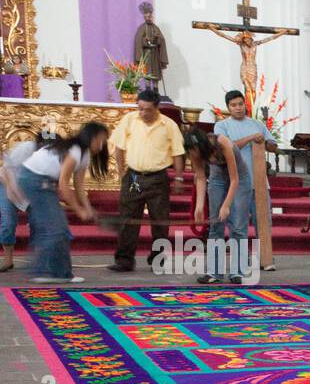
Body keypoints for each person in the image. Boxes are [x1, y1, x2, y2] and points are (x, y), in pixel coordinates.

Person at [16, 122, 110, 284]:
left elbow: (79, 187)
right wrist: (78, 210)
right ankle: (43, 272)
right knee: (54, 228)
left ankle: (61, 273)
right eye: (100, 140)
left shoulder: (84, 154)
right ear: (91, 137)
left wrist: (88, 208)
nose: (101, 146)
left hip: (45, 181)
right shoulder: (74, 151)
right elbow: (63, 185)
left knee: (60, 229)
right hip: (33, 178)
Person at [106, 89, 185, 273]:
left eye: (147, 109)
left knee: (160, 221)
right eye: (140, 108)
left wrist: (179, 177)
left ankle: (157, 260)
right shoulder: (130, 120)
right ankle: (124, 260)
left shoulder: (169, 125)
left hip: (158, 177)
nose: (142, 113)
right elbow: (119, 147)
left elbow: (178, 153)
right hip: (133, 176)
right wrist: (121, 171)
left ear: (157, 107)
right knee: (128, 219)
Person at [209, 89, 275, 279]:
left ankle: (263, 259)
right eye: (233, 105)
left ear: (245, 104)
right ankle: (216, 271)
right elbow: (226, 147)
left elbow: (272, 145)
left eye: (240, 104)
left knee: (258, 222)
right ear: (228, 107)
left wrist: (265, 141)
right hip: (230, 180)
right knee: (229, 224)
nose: (238, 108)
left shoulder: (257, 124)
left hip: (258, 181)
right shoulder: (221, 126)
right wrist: (251, 138)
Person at [183, 130, 241, 284]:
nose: (192, 154)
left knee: (237, 225)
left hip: (239, 177)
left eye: (193, 150)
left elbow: (235, 179)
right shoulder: (194, 153)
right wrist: (199, 207)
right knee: (215, 224)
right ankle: (214, 273)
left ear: (200, 145)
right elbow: (201, 177)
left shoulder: (222, 142)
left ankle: (237, 271)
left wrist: (226, 205)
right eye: (189, 151)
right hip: (217, 177)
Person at [0, 137, 42, 273]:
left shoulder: (53, 155)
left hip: (31, 189)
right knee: (8, 223)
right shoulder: (26, 149)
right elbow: (8, 170)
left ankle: (38, 259)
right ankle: (8, 260)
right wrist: (14, 192)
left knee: (37, 223)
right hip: (7, 183)